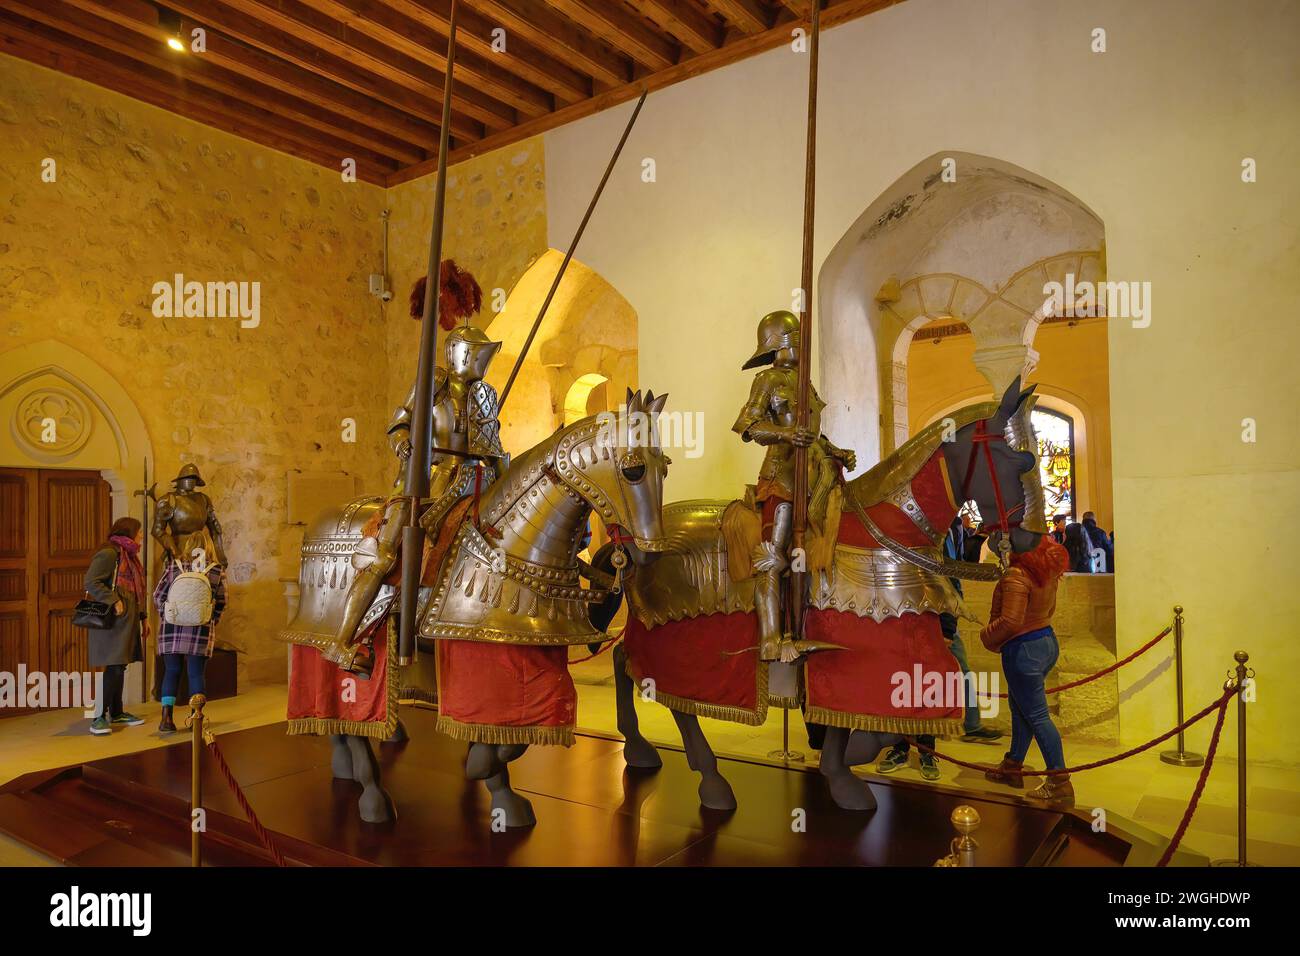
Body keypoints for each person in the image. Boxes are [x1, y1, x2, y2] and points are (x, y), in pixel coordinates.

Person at [324, 262, 506, 676]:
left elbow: (493, 445)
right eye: (478, 356)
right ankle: (344, 639)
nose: (483, 364)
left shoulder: (486, 395)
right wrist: (405, 444)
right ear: (461, 355)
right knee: (388, 552)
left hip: (478, 482)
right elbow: (400, 422)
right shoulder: (433, 384)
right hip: (429, 479)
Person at [732, 309, 854, 663]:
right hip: (782, 478)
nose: (803, 343)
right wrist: (786, 433)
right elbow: (747, 425)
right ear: (781, 342)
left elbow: (813, 434)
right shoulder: (768, 380)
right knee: (772, 555)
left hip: (816, 475)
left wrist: (834, 450)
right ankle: (771, 638)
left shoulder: (805, 383)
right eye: (798, 337)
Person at [877, 518, 1002, 780]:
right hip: (901, 619)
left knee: (927, 687)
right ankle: (899, 747)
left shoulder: (943, 530)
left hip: (931, 620)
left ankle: (926, 750)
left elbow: (949, 581)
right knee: (900, 686)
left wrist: (946, 627)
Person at [981, 534, 1074, 808]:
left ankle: (1059, 781)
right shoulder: (1044, 568)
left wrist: (986, 637)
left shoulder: (1017, 575)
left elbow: (1010, 621)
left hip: (1024, 648)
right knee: (1020, 707)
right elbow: (1050, 608)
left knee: (1037, 715)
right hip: (1046, 640)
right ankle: (1013, 765)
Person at [83, 517, 148, 735]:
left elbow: (137, 591)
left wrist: (143, 618)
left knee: (120, 664)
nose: (141, 535)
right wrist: (114, 599)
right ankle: (98, 717)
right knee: (115, 665)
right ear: (129, 532)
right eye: (139, 532)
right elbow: (92, 581)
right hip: (112, 619)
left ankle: (117, 712)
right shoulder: (110, 553)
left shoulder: (130, 556)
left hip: (127, 620)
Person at [153, 554, 227, 733]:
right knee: (196, 674)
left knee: (171, 672)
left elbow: (157, 595)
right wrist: (211, 620)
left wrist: (168, 615)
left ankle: (166, 719)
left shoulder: (173, 567)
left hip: (171, 627)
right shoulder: (216, 570)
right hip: (200, 628)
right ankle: (196, 719)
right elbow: (222, 602)